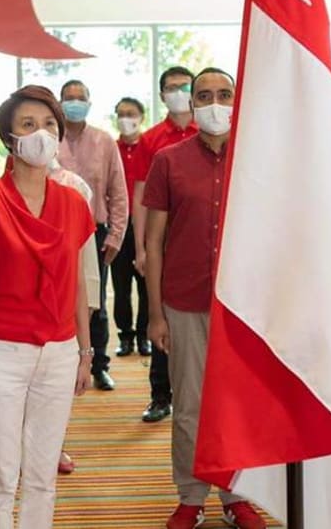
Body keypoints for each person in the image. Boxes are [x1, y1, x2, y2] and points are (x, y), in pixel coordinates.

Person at [0, 85, 94, 528]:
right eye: (29, 125)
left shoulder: (74, 202)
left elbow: (77, 284)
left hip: (59, 351)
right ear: (9, 139)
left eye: (50, 125)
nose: (42, 133)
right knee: (0, 471)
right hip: (0, 352)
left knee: (42, 474)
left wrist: (85, 354)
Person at [144, 68, 265, 529]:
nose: (215, 103)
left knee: (238, 405)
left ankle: (238, 496)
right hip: (185, 300)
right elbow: (153, 242)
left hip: (243, 304)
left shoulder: (256, 159)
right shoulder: (168, 161)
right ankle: (192, 496)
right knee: (190, 404)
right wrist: (155, 313)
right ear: (191, 104)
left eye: (224, 94)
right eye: (204, 95)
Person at [132, 65, 196, 423]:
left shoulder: (212, 131)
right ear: (161, 95)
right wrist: (141, 247)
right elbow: (142, 193)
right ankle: (160, 394)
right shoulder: (152, 139)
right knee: (158, 317)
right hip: (163, 241)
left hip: (200, 240)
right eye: (170, 87)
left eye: (183, 86)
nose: (177, 92)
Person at [56, 79, 128, 391]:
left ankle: (98, 365)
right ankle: (63, 363)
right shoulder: (49, 140)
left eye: (80, 98)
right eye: (68, 98)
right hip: (55, 232)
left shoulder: (104, 141)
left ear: (89, 102)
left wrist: (115, 236)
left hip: (95, 233)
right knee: (59, 298)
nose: (74, 103)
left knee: (94, 301)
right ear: (59, 103)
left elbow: (119, 192)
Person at [48, 156, 100, 476]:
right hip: (22, 306)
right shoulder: (1, 187)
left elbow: (86, 255)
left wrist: (89, 301)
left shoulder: (74, 186)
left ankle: (55, 444)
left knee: (60, 381)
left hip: (67, 296)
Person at [110, 97, 150, 358]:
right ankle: (125, 336)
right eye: (121, 114)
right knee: (121, 286)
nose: (126, 118)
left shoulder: (151, 146)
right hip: (119, 227)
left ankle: (144, 335)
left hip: (147, 227)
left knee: (147, 285)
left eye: (131, 113)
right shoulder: (110, 149)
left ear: (141, 116)